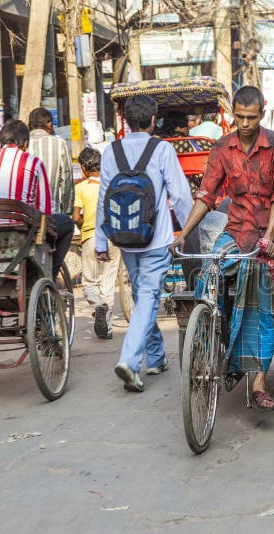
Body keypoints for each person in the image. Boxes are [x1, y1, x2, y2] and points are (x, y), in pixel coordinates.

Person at [170, 86, 274, 411]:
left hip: (273, 233)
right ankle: (213, 336)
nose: (244, 123)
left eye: (250, 118)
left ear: (262, 114)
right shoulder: (223, 147)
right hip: (236, 231)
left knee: (258, 290)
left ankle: (257, 382)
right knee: (208, 271)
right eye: (239, 116)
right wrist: (184, 233)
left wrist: (268, 238)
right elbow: (207, 195)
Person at [95, 95, 192, 392]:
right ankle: (130, 361)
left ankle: (157, 357)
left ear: (125, 120)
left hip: (126, 240)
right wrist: (188, 231)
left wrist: (102, 240)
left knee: (142, 298)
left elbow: (103, 197)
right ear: (153, 120)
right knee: (147, 298)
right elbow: (180, 195)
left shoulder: (111, 151)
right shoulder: (162, 149)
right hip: (156, 240)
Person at [0, 120, 72, 279]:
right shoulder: (32, 163)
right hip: (22, 237)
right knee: (66, 223)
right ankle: (50, 278)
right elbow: (45, 210)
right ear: (25, 143)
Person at [73, 147, 118, 339]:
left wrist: (83, 224)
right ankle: (106, 327)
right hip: (113, 238)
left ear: (83, 168)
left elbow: (76, 216)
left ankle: (97, 304)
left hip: (91, 237)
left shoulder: (81, 188)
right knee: (108, 282)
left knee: (90, 281)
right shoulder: (112, 186)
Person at [27, 107, 74, 217]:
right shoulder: (59, 143)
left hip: (27, 215)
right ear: (49, 125)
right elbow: (66, 180)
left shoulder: (23, 144)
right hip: (53, 214)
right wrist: (67, 210)